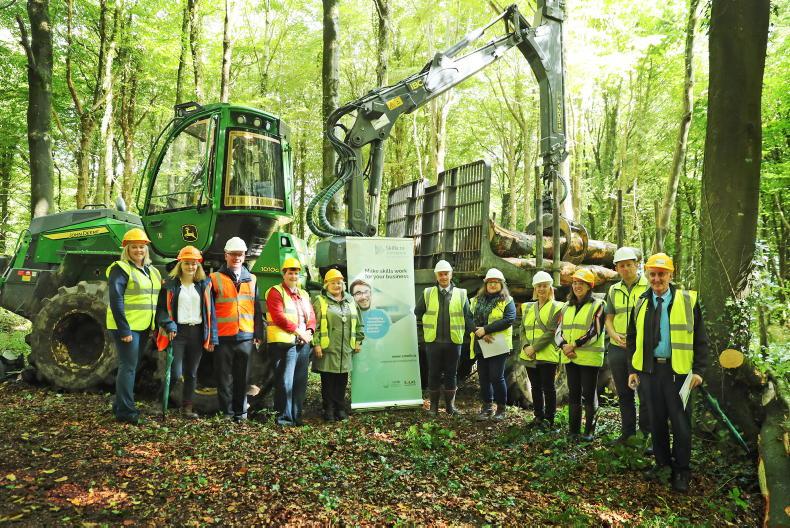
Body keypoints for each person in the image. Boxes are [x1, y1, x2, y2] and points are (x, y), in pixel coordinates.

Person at [627, 253, 708, 493]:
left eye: (661, 273)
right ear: (647, 275)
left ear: (671, 275)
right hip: (650, 372)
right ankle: (662, 464)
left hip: (679, 373)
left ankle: (682, 470)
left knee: (681, 424)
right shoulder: (640, 301)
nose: (656, 278)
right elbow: (632, 339)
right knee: (656, 421)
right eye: (652, 274)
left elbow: (701, 339)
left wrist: (700, 371)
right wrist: (633, 369)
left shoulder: (687, 300)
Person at [106, 228, 162, 425]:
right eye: (134, 247)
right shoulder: (120, 268)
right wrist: (124, 330)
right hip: (127, 327)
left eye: (141, 247)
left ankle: (119, 405)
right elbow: (116, 300)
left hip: (144, 325)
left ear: (146, 249)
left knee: (132, 366)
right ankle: (127, 413)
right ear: (127, 249)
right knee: (128, 367)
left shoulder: (152, 271)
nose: (138, 250)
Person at [155, 246, 218, 419]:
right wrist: (169, 325)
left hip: (197, 333)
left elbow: (210, 312)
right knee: (175, 372)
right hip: (178, 332)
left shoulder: (204, 284)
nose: (191, 267)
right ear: (180, 264)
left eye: (194, 263)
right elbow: (161, 310)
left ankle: (187, 409)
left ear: (198, 265)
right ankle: (160, 403)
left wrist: (212, 337)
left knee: (191, 373)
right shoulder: (170, 284)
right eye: (187, 263)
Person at [209, 237, 263, 422]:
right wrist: (211, 336)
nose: (236, 257)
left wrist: (258, 333)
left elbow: (257, 308)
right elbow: (209, 311)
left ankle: (240, 413)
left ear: (244, 255)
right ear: (226, 255)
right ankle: (226, 413)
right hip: (223, 337)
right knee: (224, 379)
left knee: (243, 378)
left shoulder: (252, 279)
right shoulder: (214, 279)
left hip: (245, 337)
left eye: (240, 254)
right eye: (233, 254)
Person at [414, 260, 474, 416]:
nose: (443, 277)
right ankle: (433, 408)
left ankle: (450, 408)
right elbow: (417, 312)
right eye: (440, 274)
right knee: (433, 373)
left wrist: (476, 332)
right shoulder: (428, 293)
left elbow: (468, 316)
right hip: (433, 342)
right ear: (436, 276)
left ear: (451, 274)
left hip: (454, 342)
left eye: (446, 273)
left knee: (451, 374)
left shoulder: (461, 294)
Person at [605, 247, 651, 444]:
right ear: (616, 268)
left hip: (642, 348)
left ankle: (645, 434)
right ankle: (628, 434)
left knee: (644, 391)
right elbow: (608, 318)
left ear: (637, 265)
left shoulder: (649, 286)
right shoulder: (613, 290)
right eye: (621, 266)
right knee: (624, 393)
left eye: (629, 265)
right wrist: (614, 335)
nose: (625, 269)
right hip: (618, 347)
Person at [556, 268, 605, 441]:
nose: (577, 286)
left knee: (589, 395)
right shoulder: (565, 307)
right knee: (574, 394)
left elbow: (595, 331)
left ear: (589, 286)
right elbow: (559, 331)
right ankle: (573, 431)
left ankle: (589, 432)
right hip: (570, 358)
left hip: (589, 358)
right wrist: (563, 346)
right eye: (575, 283)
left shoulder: (598, 305)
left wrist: (574, 345)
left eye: (581, 283)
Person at [265, 257, 316, 426]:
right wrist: (300, 331)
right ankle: (284, 418)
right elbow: (279, 317)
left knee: (300, 381)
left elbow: (312, 316)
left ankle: (296, 416)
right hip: (285, 344)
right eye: (290, 273)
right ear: (284, 274)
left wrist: (309, 331)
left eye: (296, 273)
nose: (293, 276)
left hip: (303, 342)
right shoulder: (275, 292)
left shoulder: (304, 293)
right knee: (284, 381)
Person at [312, 269, 365, 422]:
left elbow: (359, 324)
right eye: (333, 282)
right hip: (327, 349)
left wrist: (358, 340)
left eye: (339, 282)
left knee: (342, 379)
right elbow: (314, 324)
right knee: (328, 380)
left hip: (345, 349)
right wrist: (316, 344)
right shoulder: (320, 301)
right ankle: (328, 410)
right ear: (326, 285)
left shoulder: (351, 301)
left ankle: (340, 409)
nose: (337, 285)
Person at [470, 268, 516, 422]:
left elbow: (508, 319)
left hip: (498, 345)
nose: (493, 285)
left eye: (496, 282)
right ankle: (487, 407)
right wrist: (480, 332)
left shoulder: (507, 300)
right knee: (483, 377)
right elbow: (469, 318)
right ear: (486, 284)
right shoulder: (476, 300)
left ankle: (501, 409)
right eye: (490, 282)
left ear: (501, 284)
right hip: (480, 342)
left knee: (496, 377)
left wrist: (486, 329)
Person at [520, 271, 564, 429]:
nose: (541, 289)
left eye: (545, 286)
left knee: (548, 387)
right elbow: (522, 329)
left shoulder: (557, 307)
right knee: (535, 387)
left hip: (547, 354)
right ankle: (538, 417)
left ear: (550, 288)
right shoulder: (527, 307)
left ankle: (549, 419)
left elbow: (552, 331)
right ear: (534, 288)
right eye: (539, 286)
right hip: (529, 355)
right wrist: (526, 346)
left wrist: (534, 348)